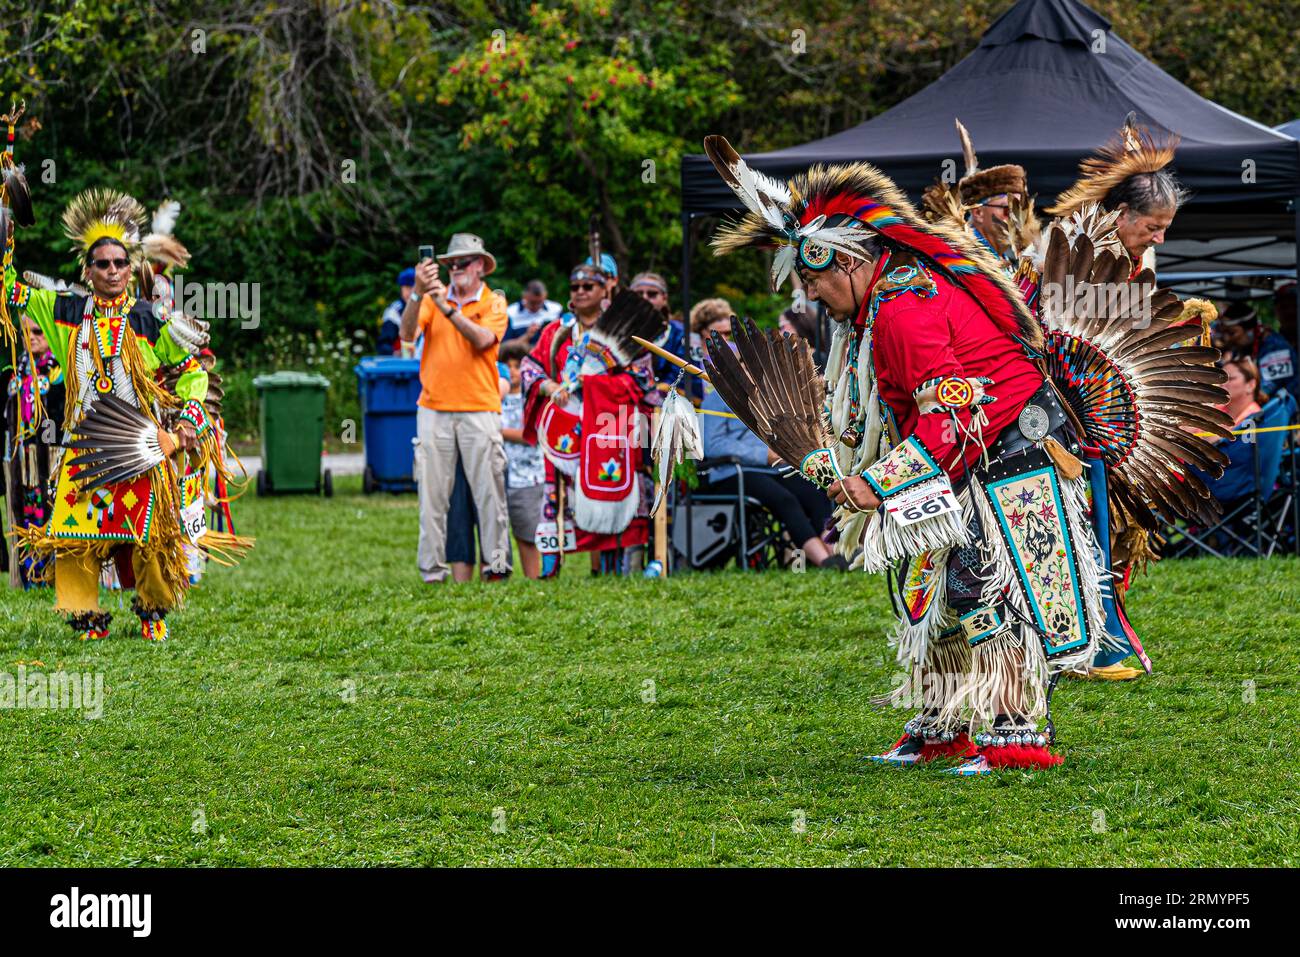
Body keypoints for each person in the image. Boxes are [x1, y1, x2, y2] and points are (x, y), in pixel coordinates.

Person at [701, 133, 1118, 773]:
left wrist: (877, 484)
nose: (810, 297)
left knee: (988, 588)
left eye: (812, 279)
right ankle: (942, 726)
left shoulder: (903, 309)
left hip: (1011, 447)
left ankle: (1017, 739)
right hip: (968, 453)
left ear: (848, 261)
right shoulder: (884, 302)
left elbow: (951, 413)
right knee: (930, 591)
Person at [3, 189, 224, 641]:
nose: (112, 271)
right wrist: (4, 224)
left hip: (140, 447)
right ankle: (87, 619)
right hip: (84, 447)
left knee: (152, 538)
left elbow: (191, 372)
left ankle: (153, 613)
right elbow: (8, 289)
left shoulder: (150, 319)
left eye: (120, 264)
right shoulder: (61, 310)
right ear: (88, 271)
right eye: (102, 264)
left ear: (130, 268)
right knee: (73, 536)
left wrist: (186, 427)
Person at [519, 260, 661, 577]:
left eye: (588, 286)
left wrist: (593, 384)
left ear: (604, 289)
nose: (581, 292)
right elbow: (530, 368)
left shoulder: (623, 328)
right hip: (566, 434)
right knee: (559, 496)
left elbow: (642, 379)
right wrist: (549, 385)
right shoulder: (557, 332)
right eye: (575, 287)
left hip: (611, 429)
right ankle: (550, 571)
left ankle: (618, 568)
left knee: (616, 487)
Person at [400, 232, 511, 583]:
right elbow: (406, 336)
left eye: (463, 262)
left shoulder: (495, 302)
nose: (455, 268)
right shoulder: (431, 299)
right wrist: (419, 293)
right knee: (432, 498)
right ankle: (432, 573)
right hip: (434, 407)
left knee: (490, 496)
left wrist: (445, 307)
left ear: (480, 266)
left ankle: (496, 569)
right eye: (450, 264)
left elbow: (482, 341)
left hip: (480, 408)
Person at [699, 362, 841, 569]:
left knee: (816, 492)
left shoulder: (768, 399)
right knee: (784, 499)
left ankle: (835, 551)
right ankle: (824, 561)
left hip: (772, 470)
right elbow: (712, 444)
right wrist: (761, 454)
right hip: (733, 473)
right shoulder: (715, 399)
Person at [1046, 114, 1187, 275]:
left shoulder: (1143, 259)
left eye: (1164, 228)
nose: (1160, 239)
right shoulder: (1066, 247)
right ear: (1122, 212)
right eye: (1152, 227)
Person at [2, 315, 64, 587]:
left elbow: (58, 414)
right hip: (20, 458)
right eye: (27, 333)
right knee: (23, 513)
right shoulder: (16, 372)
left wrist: (48, 442)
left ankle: (54, 575)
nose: (33, 337)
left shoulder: (58, 371)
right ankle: (28, 577)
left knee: (49, 511)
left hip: (48, 458)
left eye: (38, 331)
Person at [499, 339, 545, 579]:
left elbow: (531, 435)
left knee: (527, 534)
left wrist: (497, 432)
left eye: (517, 366)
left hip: (528, 477)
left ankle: (533, 578)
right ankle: (496, 576)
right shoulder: (495, 398)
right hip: (498, 474)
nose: (513, 372)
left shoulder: (533, 398)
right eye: (507, 366)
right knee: (497, 534)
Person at [1217, 300, 1298, 400]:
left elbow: (1263, 394)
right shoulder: (1241, 348)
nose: (1227, 339)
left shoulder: (1275, 348)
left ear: (1250, 330)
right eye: (1224, 333)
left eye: (1232, 332)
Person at [504, 279, 562, 347]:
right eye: (533, 303)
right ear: (524, 296)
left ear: (545, 296)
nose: (537, 306)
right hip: (520, 354)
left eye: (540, 302)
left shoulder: (556, 309)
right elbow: (504, 347)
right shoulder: (511, 312)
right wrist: (527, 336)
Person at [377, 267, 415, 355]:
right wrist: (395, 353)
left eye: (415, 288)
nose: (411, 292)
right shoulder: (394, 312)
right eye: (407, 287)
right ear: (401, 288)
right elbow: (383, 345)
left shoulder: (428, 306)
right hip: (404, 363)